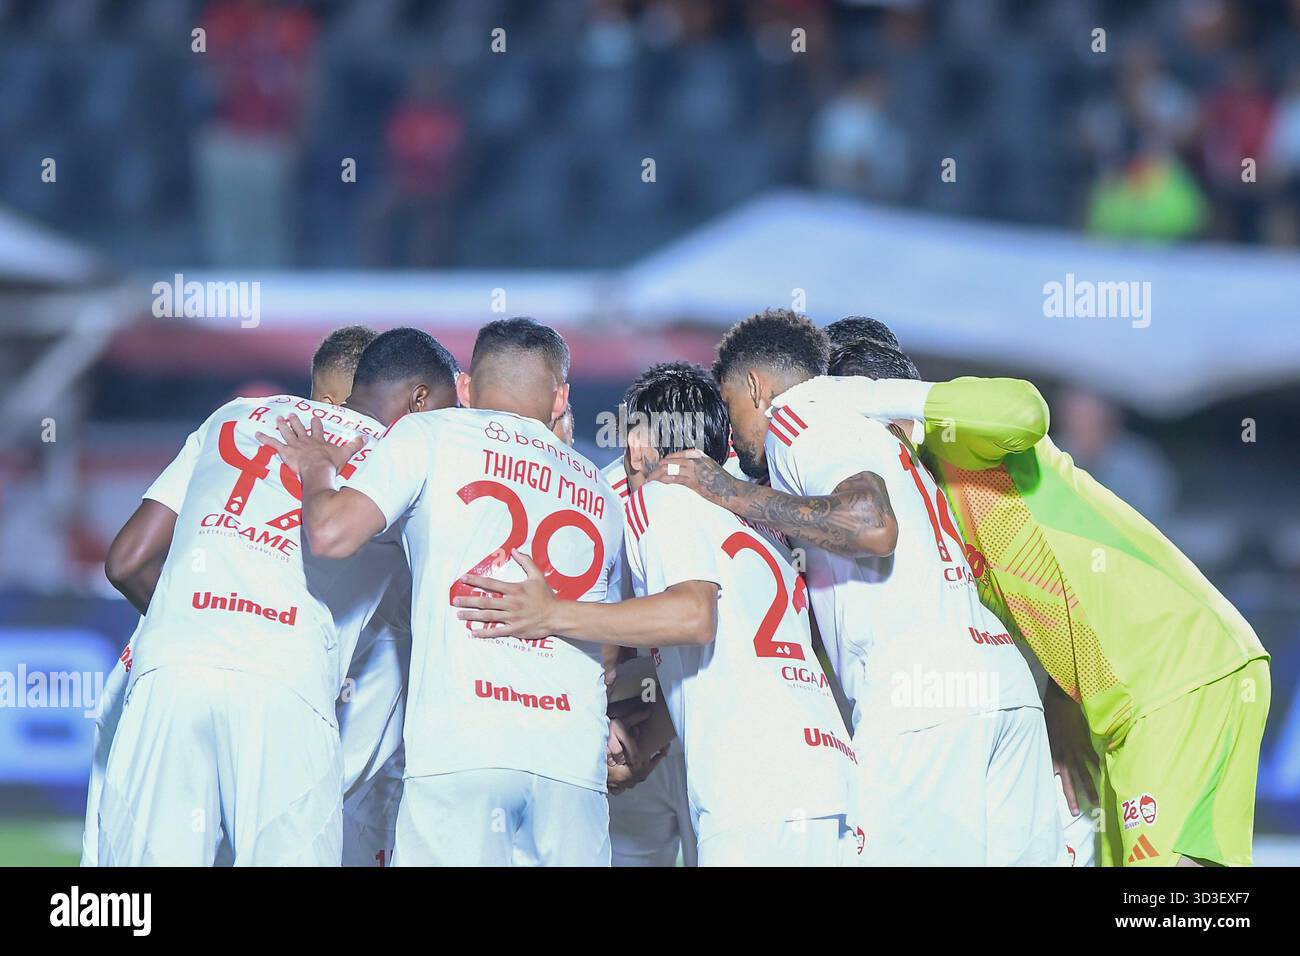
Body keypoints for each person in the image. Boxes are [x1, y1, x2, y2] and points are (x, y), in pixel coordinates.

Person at [818, 322, 1271, 867]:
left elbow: (1026, 409)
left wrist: (872, 398)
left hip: (1176, 674)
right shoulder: (925, 504)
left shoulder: (958, 439)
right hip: (1132, 701)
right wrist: (1061, 701)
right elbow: (1051, 597)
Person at [651, 309, 1062, 866]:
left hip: (923, 693)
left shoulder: (799, 417)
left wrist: (728, 492)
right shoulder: (870, 428)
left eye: (729, 408)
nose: (732, 432)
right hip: (1000, 680)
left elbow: (871, 524)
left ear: (755, 387)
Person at [455, 362, 860, 865]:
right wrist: (649, 737)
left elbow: (693, 617)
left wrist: (551, 612)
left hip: (754, 793)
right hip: (831, 778)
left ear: (638, 445)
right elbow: (727, 659)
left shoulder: (660, 494)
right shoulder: (762, 526)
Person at [262, 318, 622, 866]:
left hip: (463, 750)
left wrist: (317, 469)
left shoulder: (432, 434)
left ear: (468, 389)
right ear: (561, 398)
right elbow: (611, 653)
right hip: (571, 762)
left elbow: (332, 533)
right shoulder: (600, 490)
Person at [97, 329, 457, 865]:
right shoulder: (405, 455)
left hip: (169, 669)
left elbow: (125, 560)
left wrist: (210, 629)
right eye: (446, 409)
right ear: (419, 399)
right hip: (283, 684)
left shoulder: (234, 415)